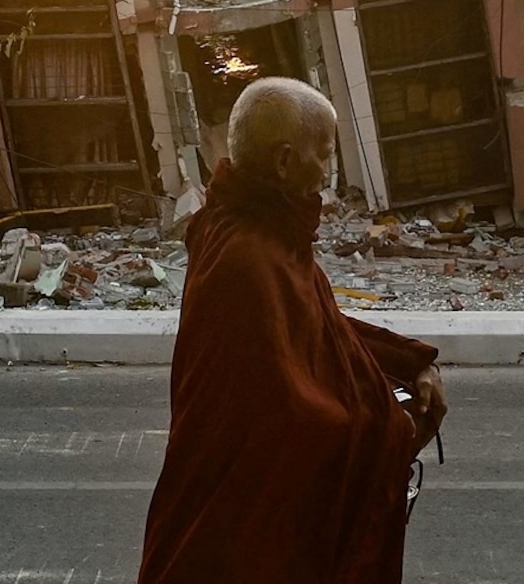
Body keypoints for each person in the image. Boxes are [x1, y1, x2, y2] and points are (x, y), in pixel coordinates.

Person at [138, 77, 448, 583]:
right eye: (323, 155)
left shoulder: (241, 225)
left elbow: (312, 321)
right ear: (284, 162)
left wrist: (409, 361)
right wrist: (395, 428)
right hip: (238, 523)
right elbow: (297, 418)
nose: (326, 176)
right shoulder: (247, 259)